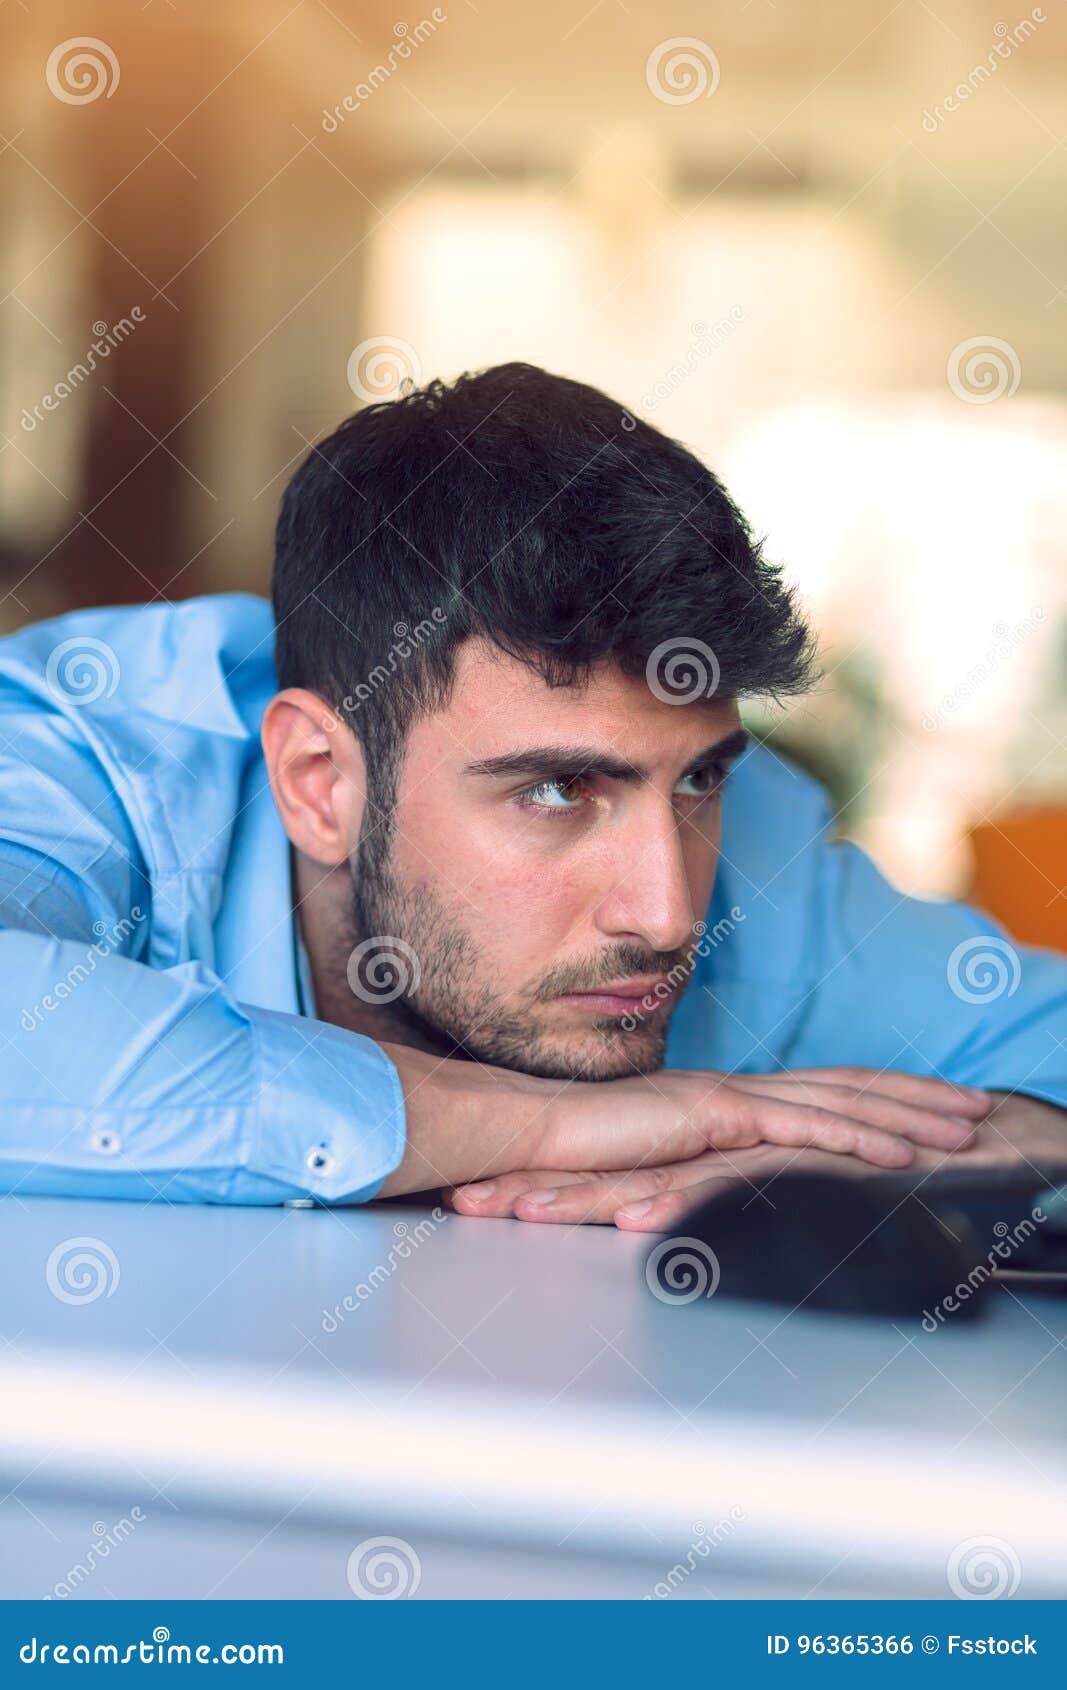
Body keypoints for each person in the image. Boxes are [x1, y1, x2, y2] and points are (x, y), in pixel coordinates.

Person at [1, 364, 1064, 1230]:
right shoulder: (81, 756)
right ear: (317, 784)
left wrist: (858, 1160)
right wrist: (543, 1123)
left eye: (697, 777)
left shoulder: (762, 854)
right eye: (557, 789)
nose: (667, 913)